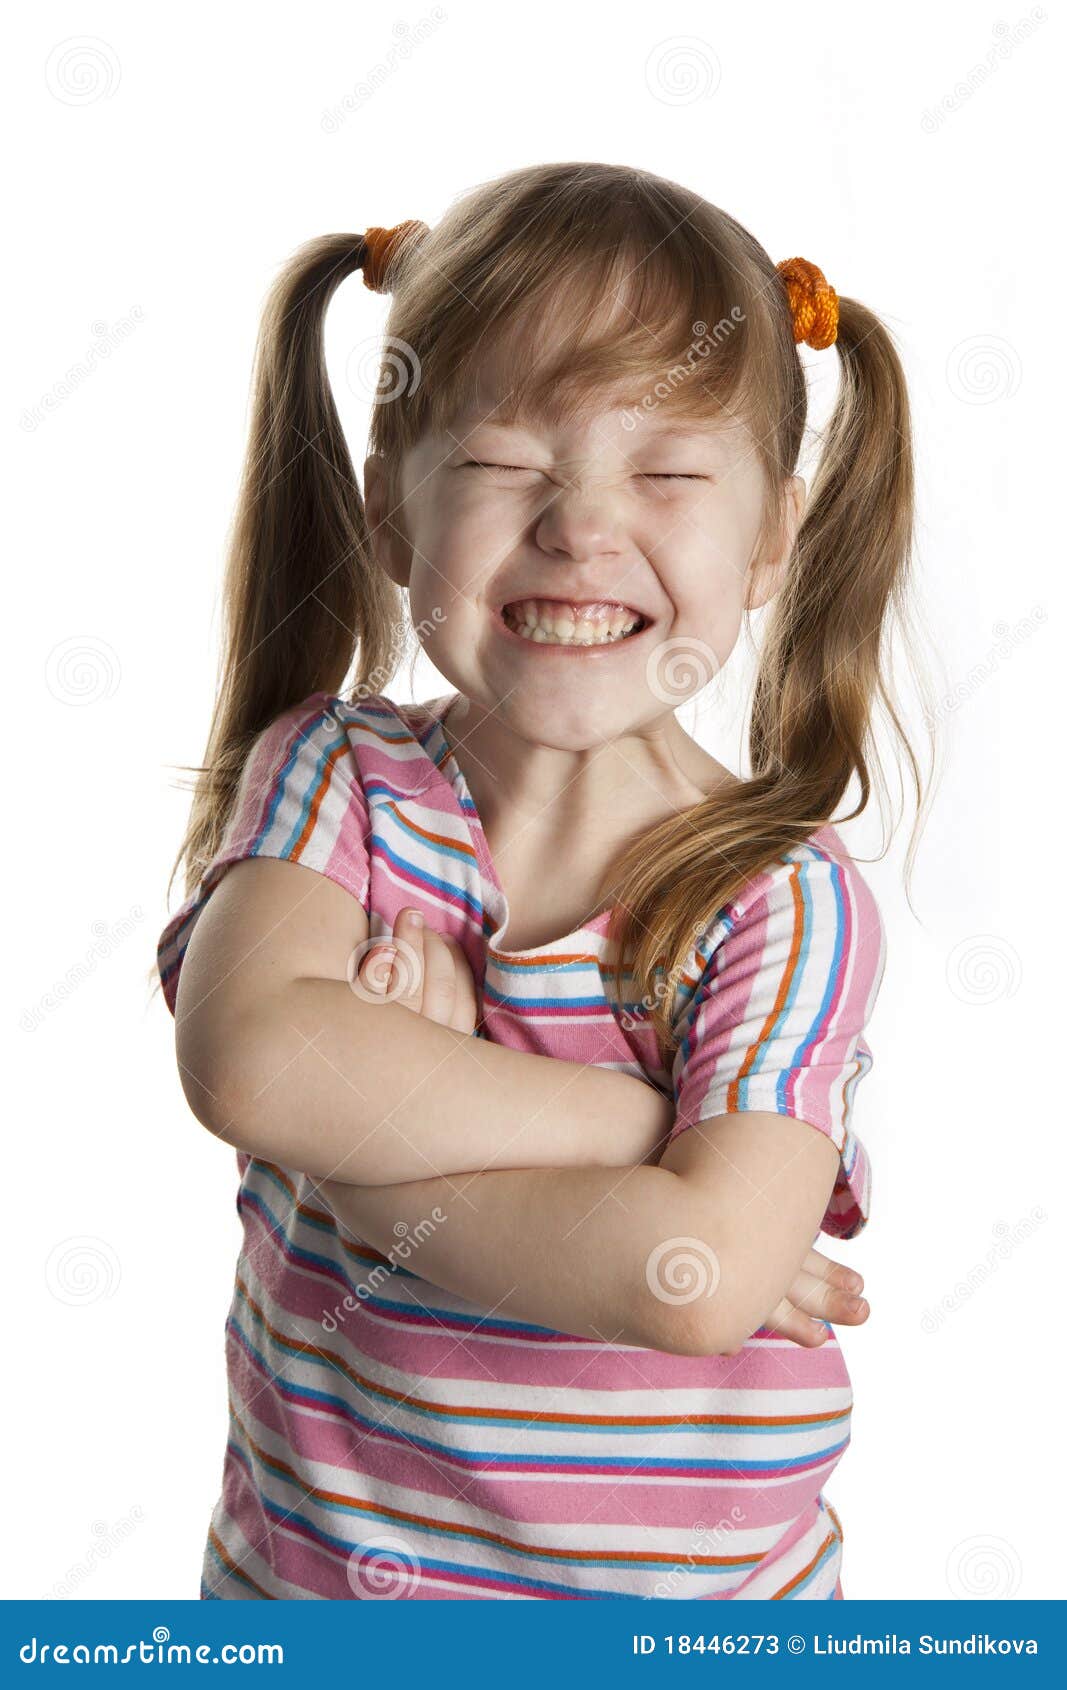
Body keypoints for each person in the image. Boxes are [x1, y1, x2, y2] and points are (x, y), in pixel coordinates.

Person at [154, 161, 929, 1600]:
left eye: (668, 470)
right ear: (391, 510)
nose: (581, 526)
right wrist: (638, 1128)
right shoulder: (340, 778)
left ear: (771, 537)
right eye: (509, 462)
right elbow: (253, 1060)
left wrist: (370, 1147)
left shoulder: (777, 897)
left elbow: (683, 1276)